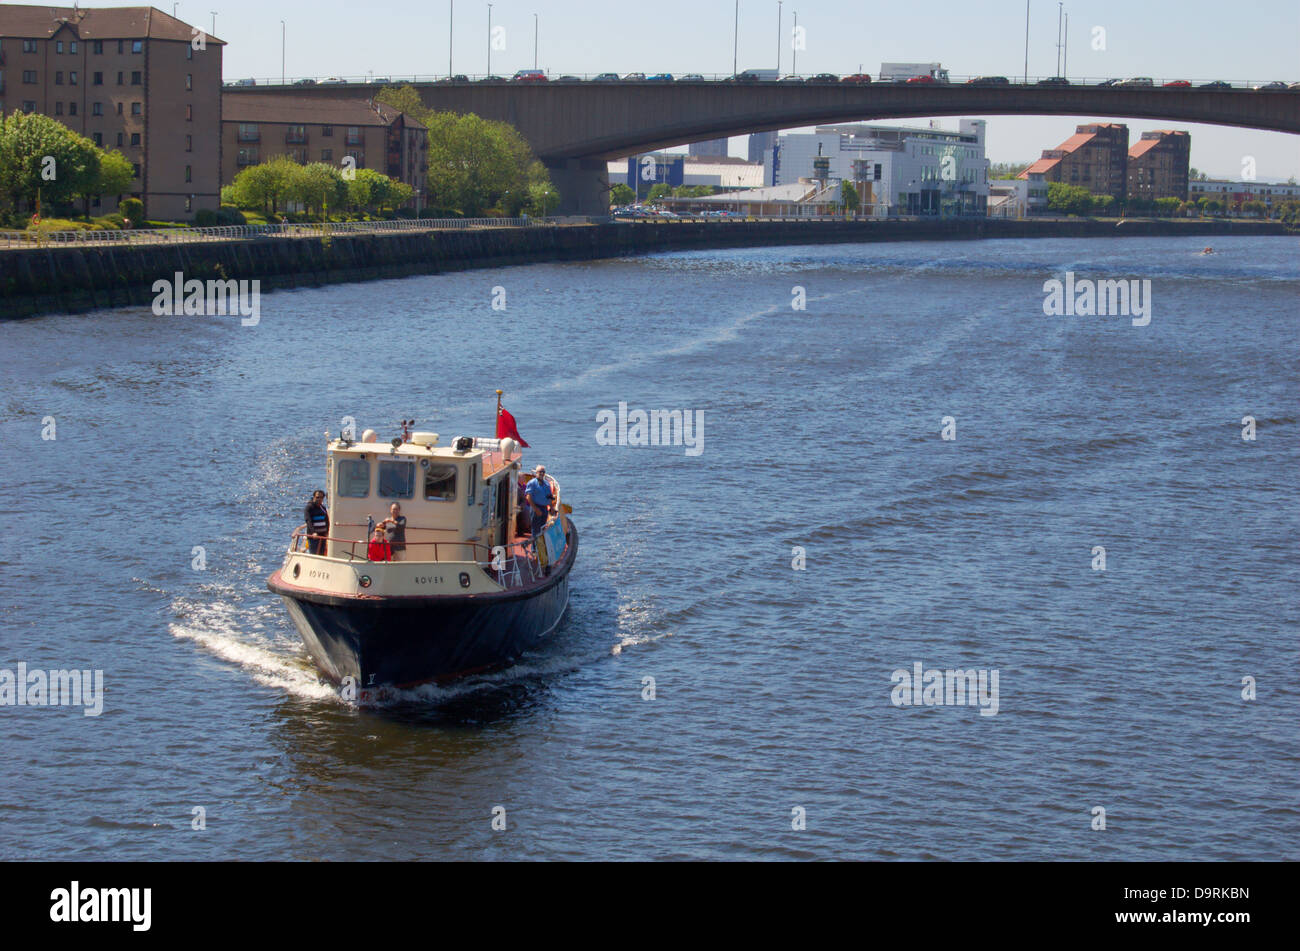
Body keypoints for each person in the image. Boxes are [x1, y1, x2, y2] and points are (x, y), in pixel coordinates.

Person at [524, 465, 554, 536]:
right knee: (535, 530)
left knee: (542, 529)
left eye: (543, 472)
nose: (542, 473)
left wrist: (551, 508)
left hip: (544, 509)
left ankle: (541, 546)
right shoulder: (532, 483)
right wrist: (536, 509)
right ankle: (534, 547)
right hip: (536, 509)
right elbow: (528, 497)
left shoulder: (546, 484)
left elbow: (549, 497)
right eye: (540, 472)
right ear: (536, 473)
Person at [304, 490, 329, 555]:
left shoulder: (323, 508)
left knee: (321, 554)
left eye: (321, 497)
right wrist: (313, 532)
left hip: (322, 536)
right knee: (314, 554)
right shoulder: (309, 507)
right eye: (317, 497)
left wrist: (327, 532)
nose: (319, 499)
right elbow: (308, 521)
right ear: (314, 497)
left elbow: (326, 521)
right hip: (314, 537)